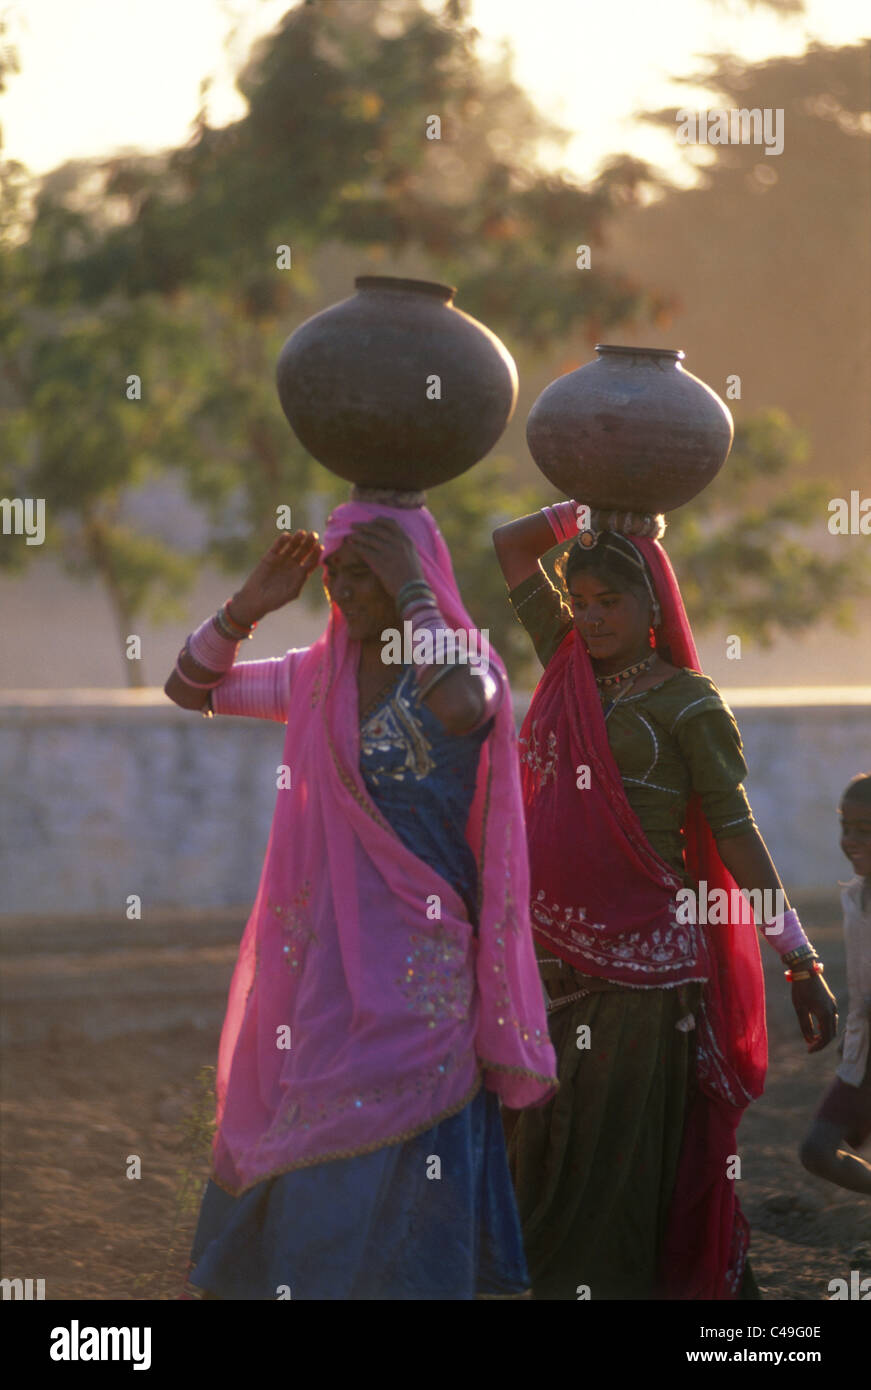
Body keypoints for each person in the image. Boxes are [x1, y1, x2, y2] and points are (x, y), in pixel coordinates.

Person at [164, 489, 557, 1300]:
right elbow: (191, 687)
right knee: (312, 1120)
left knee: (412, 1136)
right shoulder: (315, 679)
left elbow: (458, 711)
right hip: (327, 966)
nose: (346, 591)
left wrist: (415, 590)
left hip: (424, 965)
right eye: (339, 575)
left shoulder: (464, 664)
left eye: (368, 575)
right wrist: (247, 606)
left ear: (416, 572)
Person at [491, 501, 838, 1300]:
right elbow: (510, 546)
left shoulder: (689, 703)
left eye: (609, 601)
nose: (589, 617)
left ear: (653, 606)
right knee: (535, 1148)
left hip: (642, 975)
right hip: (542, 961)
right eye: (579, 602)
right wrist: (589, 504)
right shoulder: (566, 662)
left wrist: (799, 957)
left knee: (613, 1162)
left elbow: (736, 835)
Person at [800, 773, 871, 1194]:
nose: (851, 838)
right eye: (846, 827)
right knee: (816, 1151)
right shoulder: (853, 897)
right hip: (862, 1056)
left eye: (866, 830)